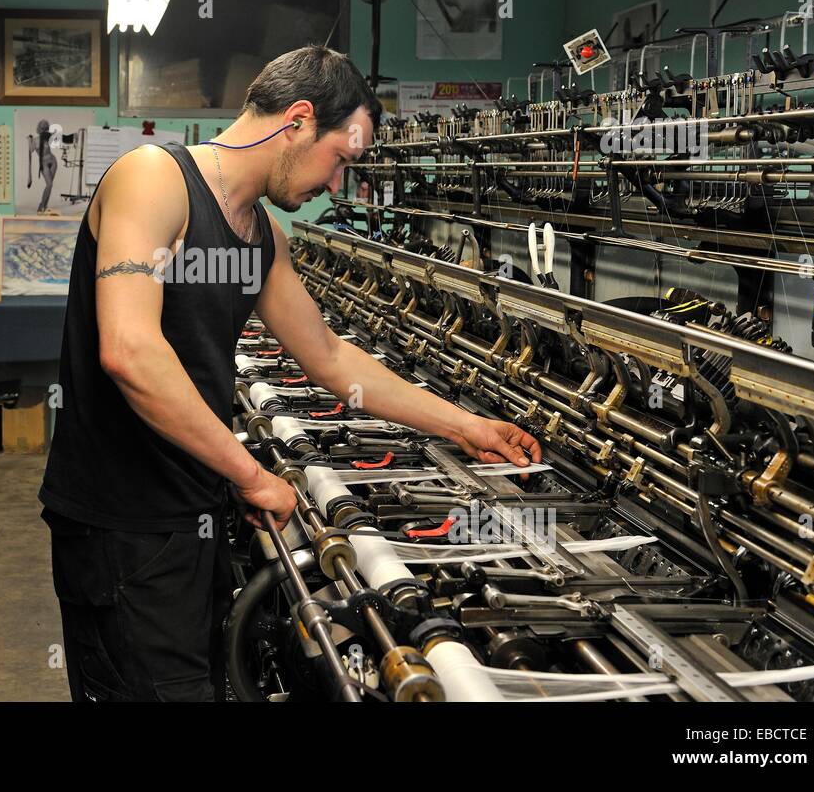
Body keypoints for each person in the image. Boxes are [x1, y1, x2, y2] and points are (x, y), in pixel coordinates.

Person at [39, 45, 541, 702]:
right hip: (122, 525)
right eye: (341, 158)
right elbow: (129, 350)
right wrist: (250, 473)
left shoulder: (259, 234)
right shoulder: (153, 178)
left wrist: (467, 424)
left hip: (193, 513)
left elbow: (329, 356)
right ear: (298, 120)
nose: (337, 184)